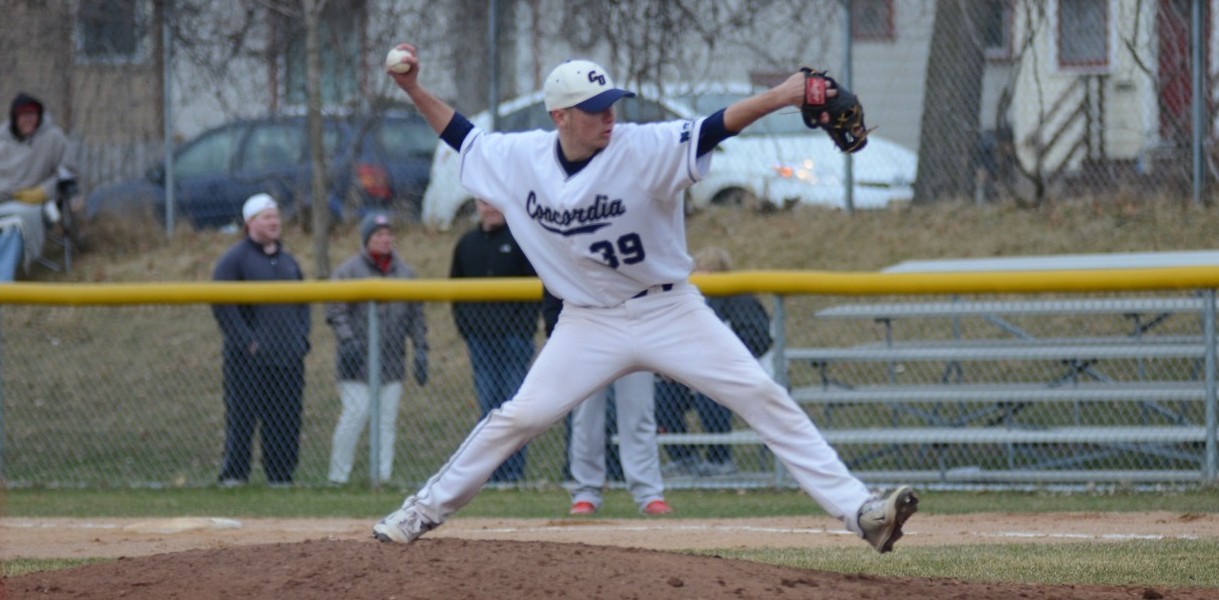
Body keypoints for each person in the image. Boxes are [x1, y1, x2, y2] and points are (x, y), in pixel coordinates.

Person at [374, 47, 917, 553]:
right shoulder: (520, 158)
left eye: (611, 103)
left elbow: (714, 125)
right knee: (518, 418)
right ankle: (422, 511)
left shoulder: (641, 147)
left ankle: (860, 512)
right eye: (593, 109)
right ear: (560, 116)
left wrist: (782, 94)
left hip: (669, 311)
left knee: (759, 393)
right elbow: (462, 135)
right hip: (587, 322)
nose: (608, 115)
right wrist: (413, 88)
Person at [211, 193, 310, 487]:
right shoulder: (235, 259)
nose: (274, 222)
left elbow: (303, 304)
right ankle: (235, 474)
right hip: (248, 359)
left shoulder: (288, 261)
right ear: (250, 222)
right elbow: (222, 305)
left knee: (284, 419)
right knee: (242, 418)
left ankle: (280, 475)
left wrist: (301, 339)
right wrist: (247, 342)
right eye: (267, 217)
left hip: (287, 356)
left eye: (276, 216)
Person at [543, 289, 671, 516]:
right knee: (586, 416)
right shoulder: (574, 251)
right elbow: (555, 281)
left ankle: (649, 493)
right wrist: (555, 329)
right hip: (586, 328)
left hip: (636, 327)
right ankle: (586, 492)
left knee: (639, 412)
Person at [324, 212, 429, 485]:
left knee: (386, 422)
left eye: (388, 233)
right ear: (367, 239)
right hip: (356, 362)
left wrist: (421, 349)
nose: (385, 238)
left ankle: (382, 477)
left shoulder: (405, 273)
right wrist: (347, 339)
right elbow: (334, 309)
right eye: (378, 234)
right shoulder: (349, 271)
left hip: (392, 361)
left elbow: (417, 315)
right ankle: (338, 477)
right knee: (355, 414)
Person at [657, 247, 773, 478]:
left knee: (709, 393)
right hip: (694, 371)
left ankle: (720, 459)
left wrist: (720, 361)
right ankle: (682, 458)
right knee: (660, 394)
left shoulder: (739, 298)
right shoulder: (689, 299)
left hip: (739, 371)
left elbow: (757, 339)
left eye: (708, 274)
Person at [450, 198, 540, 484]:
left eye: (494, 203)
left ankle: (514, 473)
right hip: (481, 340)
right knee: (488, 405)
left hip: (515, 339)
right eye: (483, 203)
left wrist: (523, 327)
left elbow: (538, 284)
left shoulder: (522, 237)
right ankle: (488, 473)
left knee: (516, 408)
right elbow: (455, 290)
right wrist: (468, 329)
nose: (489, 208)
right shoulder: (466, 243)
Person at [0, 92, 78, 274]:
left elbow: (68, 172)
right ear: (14, 118)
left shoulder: (53, 138)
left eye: (32, 115)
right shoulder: (2, 140)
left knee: (15, 224)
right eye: (23, 115)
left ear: (39, 116)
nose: (28, 120)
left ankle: (3, 283)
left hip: (35, 204)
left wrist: (44, 191)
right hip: (4, 199)